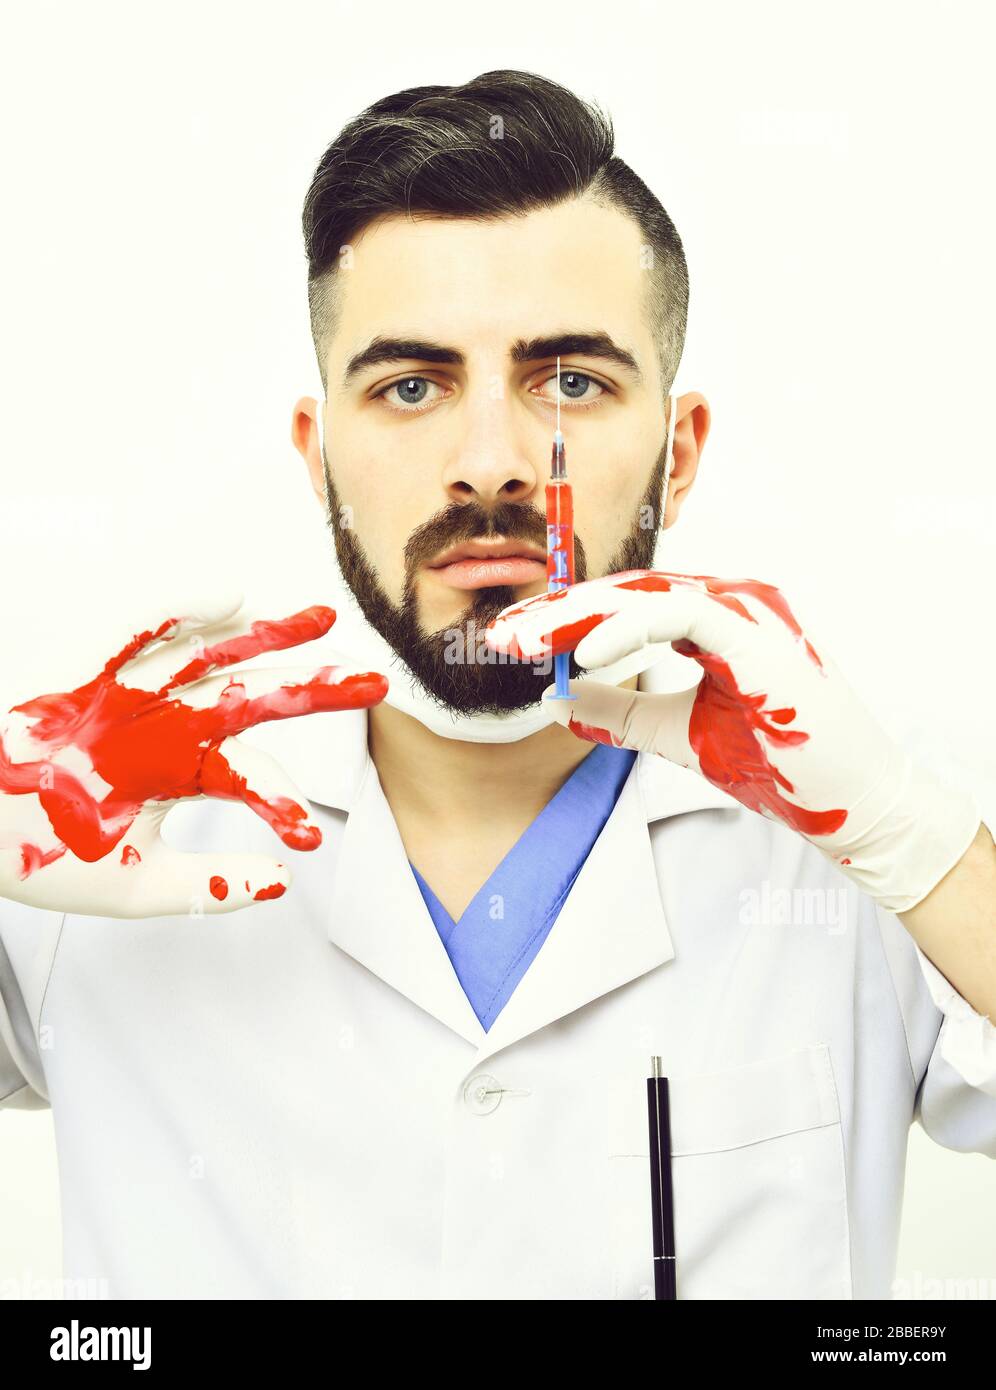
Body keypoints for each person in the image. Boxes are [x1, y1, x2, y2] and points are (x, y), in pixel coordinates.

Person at [1, 69, 993, 1301]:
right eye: (409, 387)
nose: (489, 465)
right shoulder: (91, 842)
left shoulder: (877, 837)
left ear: (676, 456)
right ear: (322, 459)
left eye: (571, 380)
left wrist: (928, 854)